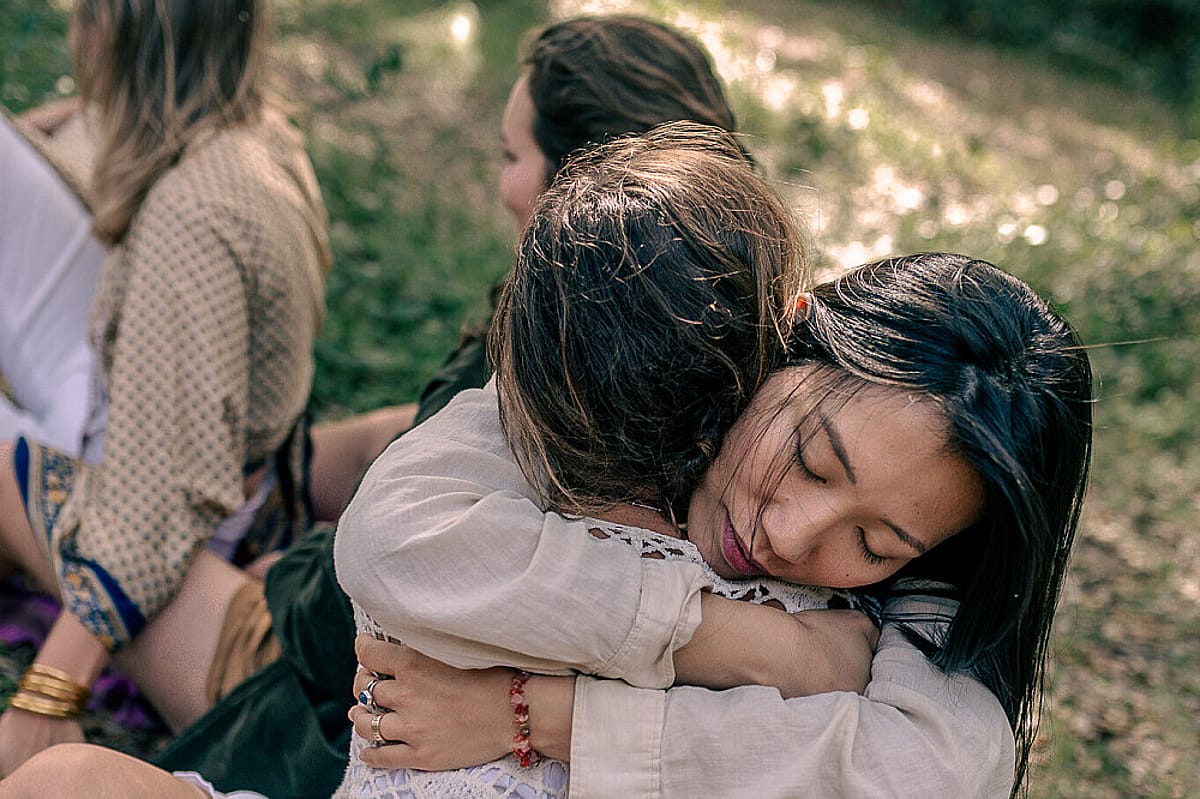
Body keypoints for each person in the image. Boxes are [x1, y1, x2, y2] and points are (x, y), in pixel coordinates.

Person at [331, 130, 1093, 796]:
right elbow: (393, 541)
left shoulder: (937, 560)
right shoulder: (629, 367)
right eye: (810, 461)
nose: (793, 535)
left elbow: (935, 772)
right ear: (789, 334)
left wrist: (541, 714)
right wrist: (753, 646)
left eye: (874, 545)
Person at [0, 0, 329, 777]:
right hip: (152, 408)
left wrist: (47, 696)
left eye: (86, 15)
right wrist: (93, 118)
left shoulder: (192, 219)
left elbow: (160, 500)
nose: (75, 27)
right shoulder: (256, 135)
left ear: (120, 40)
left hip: (175, 508)